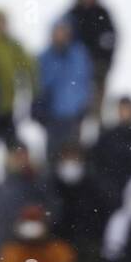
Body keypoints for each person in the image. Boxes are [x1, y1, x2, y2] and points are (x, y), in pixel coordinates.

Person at [32, 19, 93, 162]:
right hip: (53, 117)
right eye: (57, 32)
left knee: (73, 157)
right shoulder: (44, 58)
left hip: (74, 116)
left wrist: (85, 106)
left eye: (63, 32)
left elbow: (85, 83)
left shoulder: (79, 55)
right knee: (53, 157)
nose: (60, 36)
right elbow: (38, 86)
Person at [0, 142, 58, 262]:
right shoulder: (4, 187)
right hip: (14, 246)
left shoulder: (42, 180)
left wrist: (40, 218)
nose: (21, 160)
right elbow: (0, 223)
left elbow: (54, 207)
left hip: (44, 244)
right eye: (16, 156)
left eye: (23, 155)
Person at [64, 0, 118, 120]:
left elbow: (110, 41)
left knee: (98, 113)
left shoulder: (102, 14)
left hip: (98, 72)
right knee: (76, 114)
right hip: (75, 75)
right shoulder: (72, 15)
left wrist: (101, 64)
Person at [52, 142, 109, 262]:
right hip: (59, 247)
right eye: (67, 158)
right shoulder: (51, 184)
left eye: (75, 158)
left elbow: (102, 217)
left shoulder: (95, 185)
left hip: (88, 248)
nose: (71, 163)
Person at [0, 9, 37, 146]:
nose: (0, 25)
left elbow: (29, 66)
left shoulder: (13, 45)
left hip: (8, 104)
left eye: (2, 22)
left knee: (12, 143)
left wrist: (33, 90)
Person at [0, 205, 76, 262]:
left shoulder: (56, 249)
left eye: (36, 225)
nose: (32, 230)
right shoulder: (11, 251)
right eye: (28, 225)